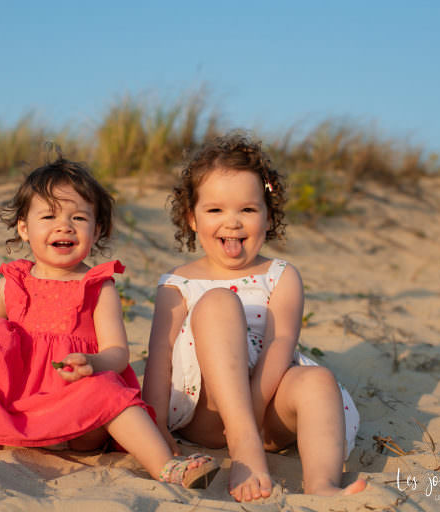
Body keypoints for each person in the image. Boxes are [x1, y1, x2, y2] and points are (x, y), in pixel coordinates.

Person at [0, 155, 219, 489]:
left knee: (112, 392)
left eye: (79, 217)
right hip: (15, 403)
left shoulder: (97, 287)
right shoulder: (13, 283)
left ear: (97, 229)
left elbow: (117, 352)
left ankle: (166, 465)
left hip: (77, 410)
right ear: (24, 228)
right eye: (48, 215)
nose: (64, 226)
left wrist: (93, 363)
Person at [142, 133, 366, 501]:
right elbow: (160, 358)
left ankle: (322, 484)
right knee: (218, 303)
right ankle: (243, 442)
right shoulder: (179, 282)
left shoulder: (281, 275)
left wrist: (254, 409)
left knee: (317, 380)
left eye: (247, 210)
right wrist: (157, 427)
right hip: (206, 413)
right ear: (192, 218)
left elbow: (281, 343)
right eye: (215, 210)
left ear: (268, 216)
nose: (232, 222)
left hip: (267, 411)